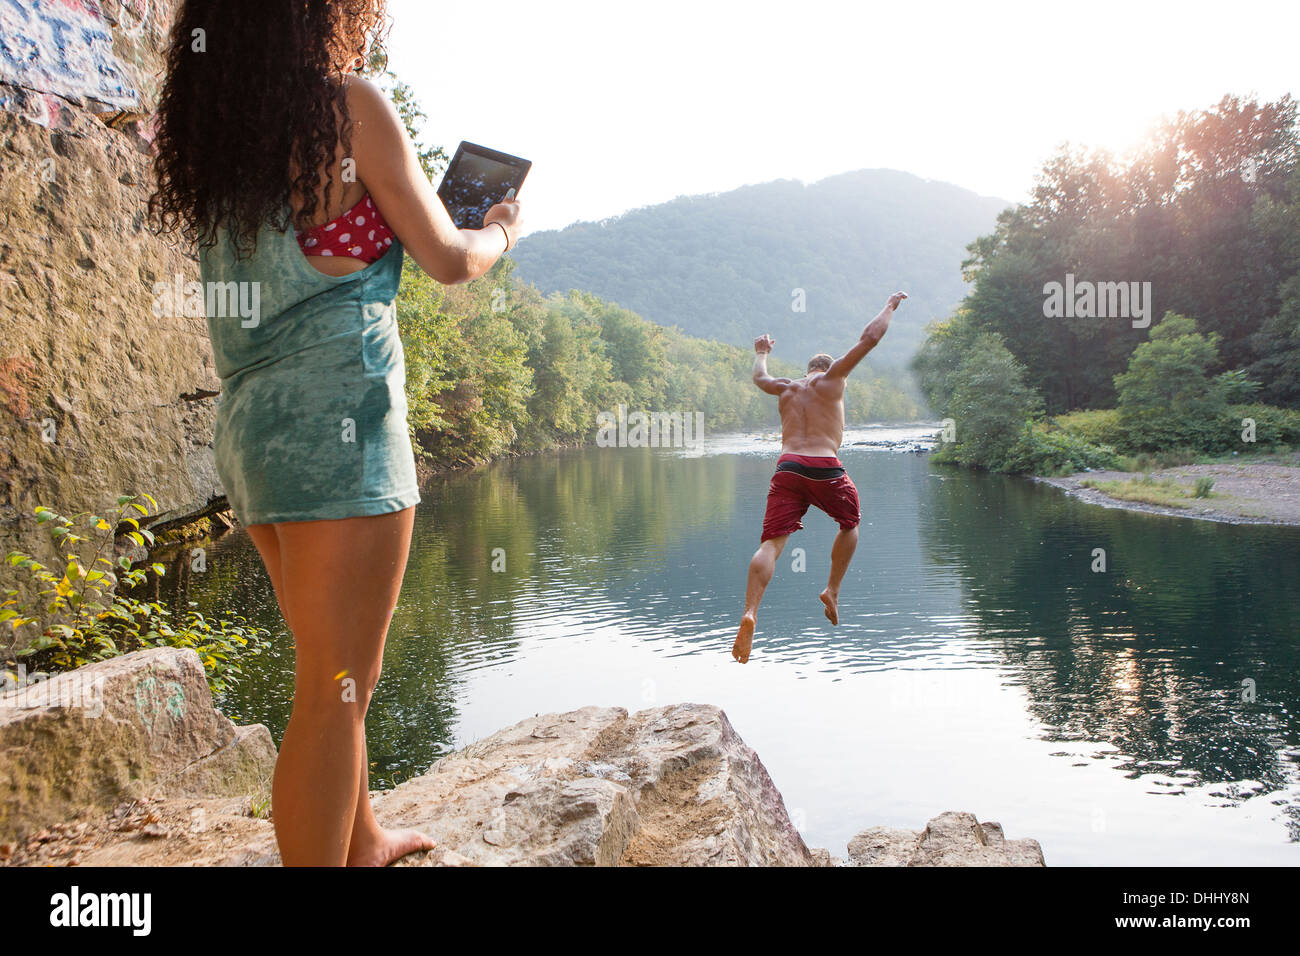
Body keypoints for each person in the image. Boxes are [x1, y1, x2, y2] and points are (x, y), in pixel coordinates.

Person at [148, 1, 523, 865]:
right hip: (342, 424)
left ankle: (362, 839)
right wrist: (499, 228)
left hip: (255, 435)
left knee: (341, 670)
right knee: (332, 687)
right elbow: (449, 259)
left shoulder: (216, 133)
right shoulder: (347, 106)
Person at [732, 292, 908, 663]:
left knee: (770, 544)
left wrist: (762, 350)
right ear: (826, 368)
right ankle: (831, 590)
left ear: (806, 369)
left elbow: (758, 376)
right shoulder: (834, 378)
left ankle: (750, 612)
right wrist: (890, 306)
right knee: (850, 522)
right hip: (825, 467)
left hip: (788, 468)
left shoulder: (785, 387)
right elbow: (869, 339)